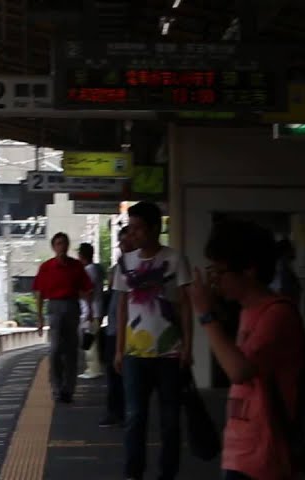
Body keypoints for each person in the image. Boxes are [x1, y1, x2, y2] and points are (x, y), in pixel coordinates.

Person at [189, 218, 304, 480]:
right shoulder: (247, 312)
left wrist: (206, 315)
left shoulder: (276, 314)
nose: (215, 280)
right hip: (242, 447)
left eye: (220, 272)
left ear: (249, 270)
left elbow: (239, 371)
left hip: (265, 455)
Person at [113, 201, 192, 480]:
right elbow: (121, 307)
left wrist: (188, 348)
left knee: (170, 420)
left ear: (155, 228)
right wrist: (120, 349)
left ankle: (166, 474)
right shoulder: (125, 263)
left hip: (169, 352)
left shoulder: (175, 259)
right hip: (135, 353)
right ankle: (133, 473)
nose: (132, 234)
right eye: (130, 228)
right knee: (135, 417)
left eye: (137, 228)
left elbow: (185, 305)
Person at [33, 232, 93, 403]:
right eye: (58, 243)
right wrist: (39, 318)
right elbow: (38, 293)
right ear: (53, 247)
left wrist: (88, 309)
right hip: (54, 306)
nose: (62, 247)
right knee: (55, 349)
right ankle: (57, 387)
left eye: (64, 243)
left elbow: (86, 289)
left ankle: (69, 389)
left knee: (72, 349)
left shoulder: (76, 266)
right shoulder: (46, 267)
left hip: (72, 305)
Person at [99, 226, 135, 428]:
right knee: (113, 373)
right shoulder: (117, 268)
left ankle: (124, 412)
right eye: (121, 242)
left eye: (126, 241)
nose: (122, 245)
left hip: (132, 331)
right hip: (113, 328)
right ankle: (115, 411)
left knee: (127, 375)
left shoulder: (142, 267)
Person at [78, 241, 105, 380]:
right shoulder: (97, 269)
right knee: (92, 340)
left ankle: (94, 369)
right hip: (96, 310)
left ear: (81, 255)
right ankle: (93, 368)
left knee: (90, 341)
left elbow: (88, 292)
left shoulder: (89, 270)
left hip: (92, 311)